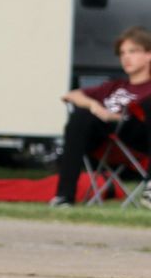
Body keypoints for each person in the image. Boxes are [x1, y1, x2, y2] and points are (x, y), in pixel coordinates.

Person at [52, 26, 151, 205]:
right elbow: (71, 95)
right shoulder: (113, 86)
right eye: (122, 53)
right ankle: (64, 197)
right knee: (81, 114)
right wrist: (95, 106)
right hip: (103, 142)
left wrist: (116, 117)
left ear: (149, 55)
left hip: (136, 139)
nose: (126, 57)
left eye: (133, 51)